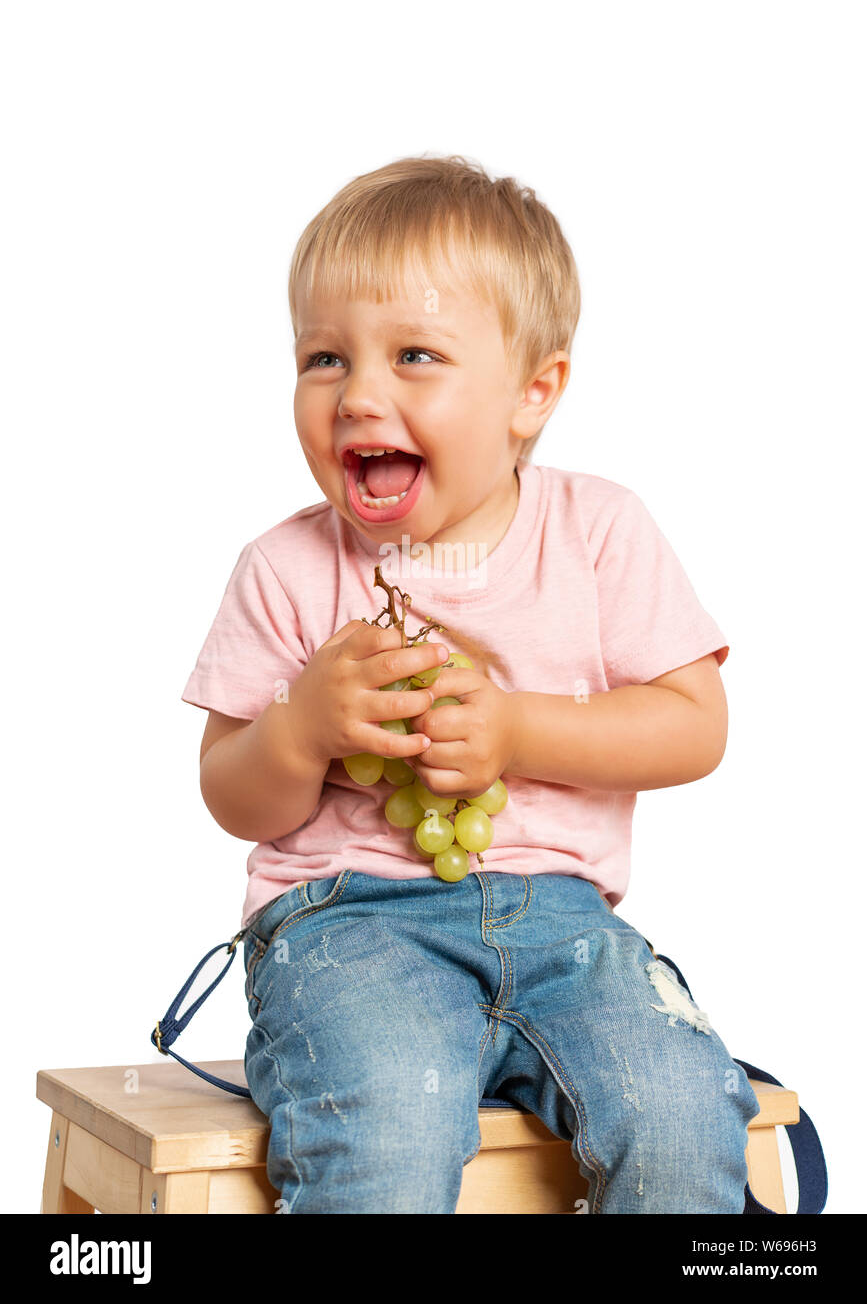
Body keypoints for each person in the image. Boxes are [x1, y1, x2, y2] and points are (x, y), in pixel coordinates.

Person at [181, 153, 760, 1213]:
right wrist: (301, 730)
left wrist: (515, 730)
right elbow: (230, 794)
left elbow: (695, 727)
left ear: (532, 394)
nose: (358, 394)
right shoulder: (285, 567)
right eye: (323, 357)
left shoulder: (599, 532)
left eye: (414, 355)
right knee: (387, 1128)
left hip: (569, 927)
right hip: (344, 925)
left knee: (681, 1110)